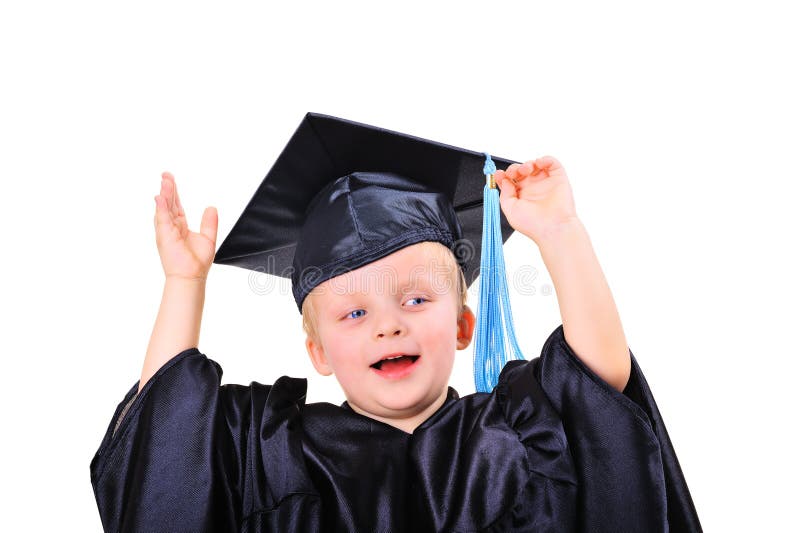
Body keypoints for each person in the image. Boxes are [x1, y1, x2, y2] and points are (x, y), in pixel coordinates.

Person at [90, 113, 701, 532]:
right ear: (318, 353)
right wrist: (184, 284)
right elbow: (165, 442)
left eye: (415, 301)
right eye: (354, 313)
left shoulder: (516, 431)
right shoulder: (276, 453)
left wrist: (561, 234)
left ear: (462, 327)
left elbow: (599, 386)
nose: (387, 326)